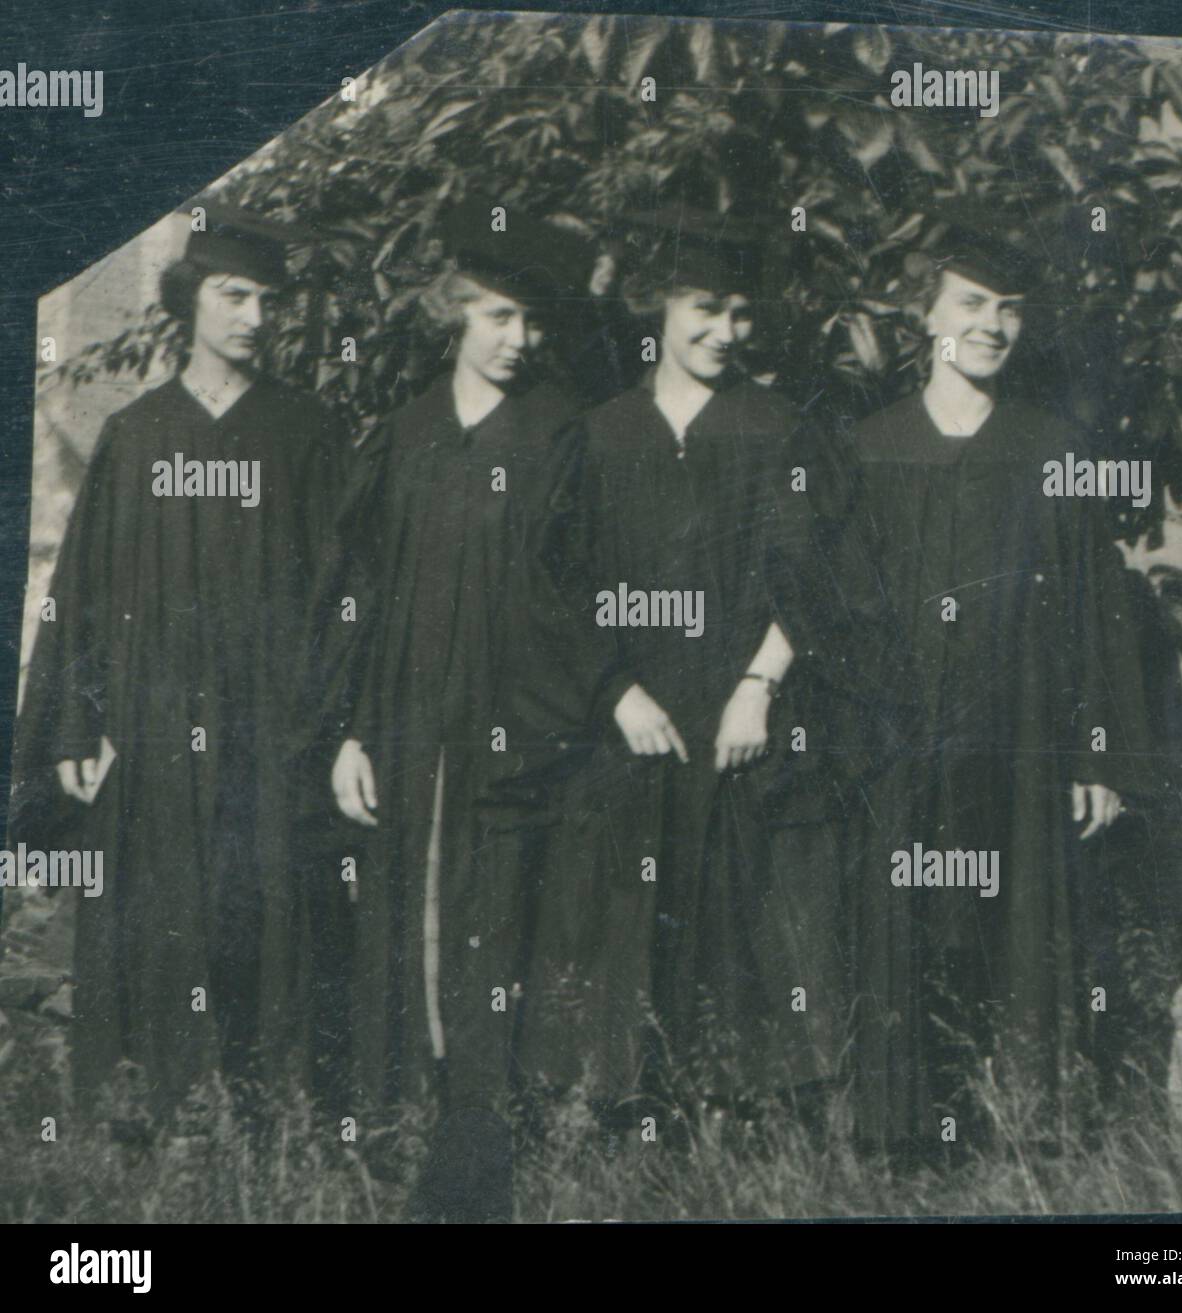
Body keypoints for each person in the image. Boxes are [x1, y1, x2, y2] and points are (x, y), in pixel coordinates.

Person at [815, 219, 1182, 1156]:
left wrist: (1098, 756)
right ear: (924, 315)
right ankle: (900, 1139)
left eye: (1009, 310)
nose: (993, 325)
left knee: (1022, 925)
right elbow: (833, 609)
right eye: (971, 304)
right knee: (907, 924)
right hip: (903, 739)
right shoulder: (870, 449)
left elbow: (1096, 616)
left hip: (1025, 734)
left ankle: (1026, 1134)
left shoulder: (1051, 446)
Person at [10, 203, 355, 1117]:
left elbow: (341, 599)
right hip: (153, 720)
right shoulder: (136, 436)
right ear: (190, 301)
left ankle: (263, 1108)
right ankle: (147, 1102)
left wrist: (328, 725)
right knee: (157, 903)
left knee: (261, 904)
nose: (254, 316)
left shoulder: (307, 435)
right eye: (234, 295)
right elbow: (78, 592)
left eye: (267, 300)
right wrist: (77, 722)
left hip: (270, 724)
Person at [518, 207, 854, 1137]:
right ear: (657, 310)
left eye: (741, 313)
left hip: (743, 715)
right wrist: (614, 692)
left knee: (750, 908)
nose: (723, 331)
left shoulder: (778, 429)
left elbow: (819, 573)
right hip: (635, 718)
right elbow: (554, 586)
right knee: (626, 903)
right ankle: (628, 1111)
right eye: (705, 308)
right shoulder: (600, 435)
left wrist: (761, 685)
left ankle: (742, 1122)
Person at [326, 201, 591, 1147]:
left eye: (531, 321)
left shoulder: (560, 435)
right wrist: (353, 728)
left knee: (501, 907)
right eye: (498, 317)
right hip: (403, 714)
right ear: (455, 312)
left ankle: (490, 1116)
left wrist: (543, 726)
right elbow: (363, 590)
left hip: (509, 721)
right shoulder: (404, 436)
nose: (519, 340)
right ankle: (402, 1111)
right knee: (401, 899)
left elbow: (577, 594)